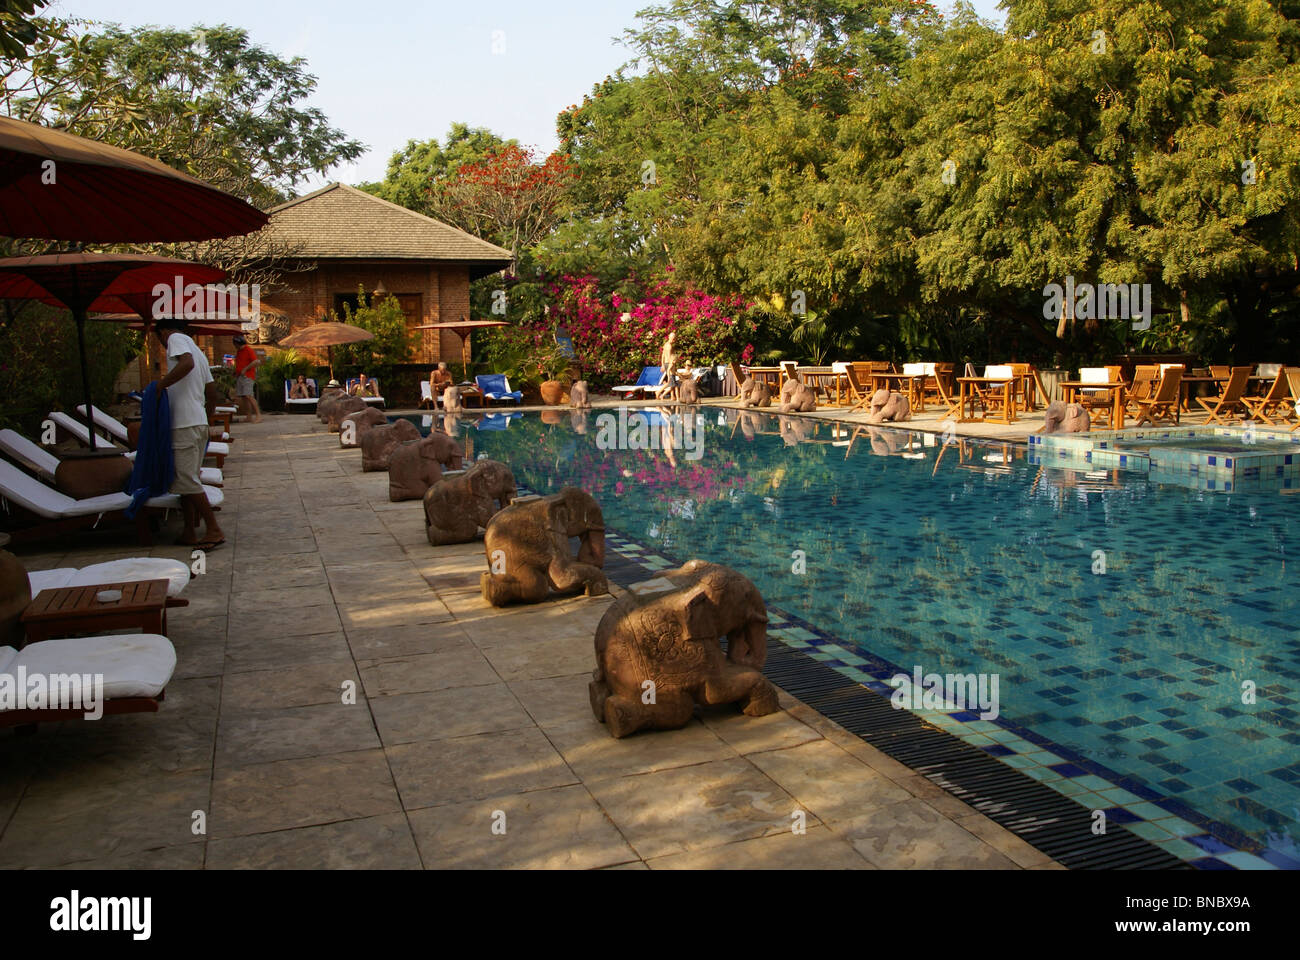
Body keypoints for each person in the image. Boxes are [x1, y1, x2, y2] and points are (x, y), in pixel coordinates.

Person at [154, 320, 225, 549]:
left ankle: (213, 529)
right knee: (188, 480)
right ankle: (188, 531)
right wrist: (205, 417)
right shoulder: (199, 351)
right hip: (197, 422)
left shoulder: (175, 339)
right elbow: (212, 392)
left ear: (163, 332)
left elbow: (186, 363)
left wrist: (160, 385)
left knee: (186, 479)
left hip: (184, 424)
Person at [233, 335, 262, 423]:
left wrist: (246, 368)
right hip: (240, 376)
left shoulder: (248, 350)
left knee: (249, 396)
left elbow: (256, 361)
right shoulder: (239, 352)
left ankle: (258, 415)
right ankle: (248, 416)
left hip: (247, 376)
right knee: (244, 397)